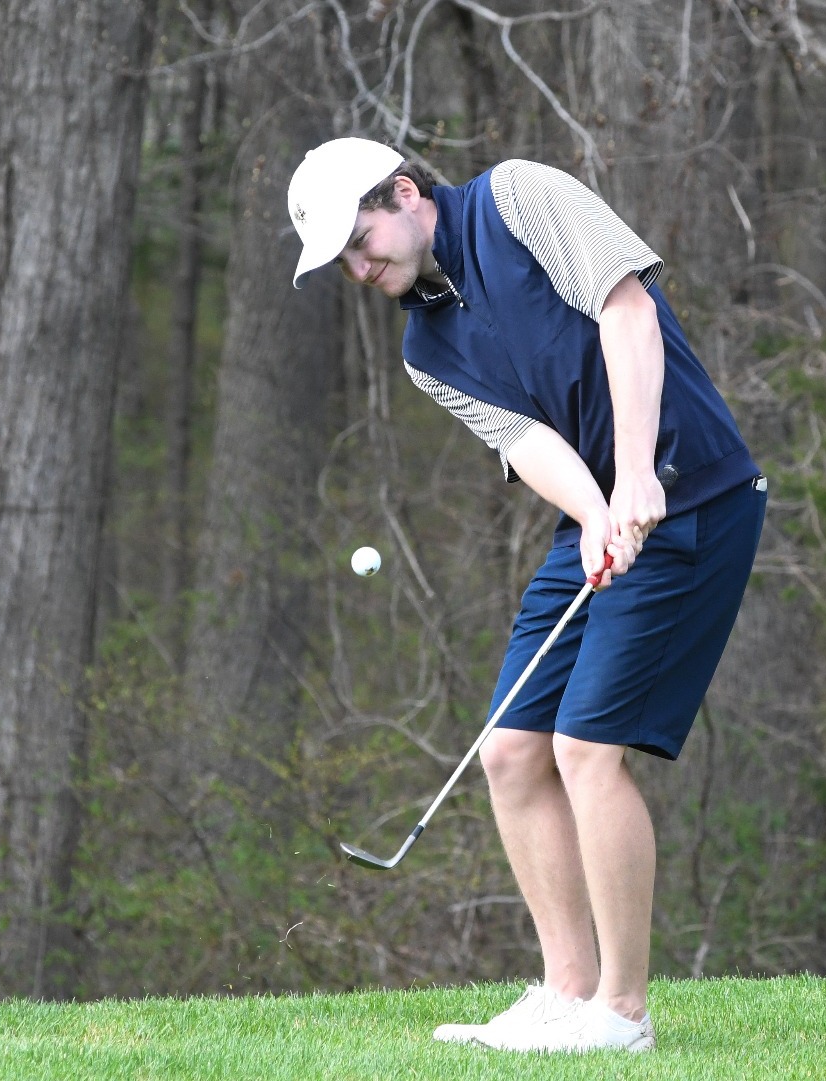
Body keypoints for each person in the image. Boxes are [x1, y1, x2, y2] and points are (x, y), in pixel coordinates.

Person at [287, 138, 767, 1054]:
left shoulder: (519, 199)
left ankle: (621, 1013)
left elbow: (628, 311)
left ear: (403, 192)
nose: (358, 269)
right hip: (602, 512)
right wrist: (595, 511)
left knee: (585, 748)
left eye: (360, 242)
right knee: (510, 752)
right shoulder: (426, 348)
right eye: (342, 261)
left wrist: (636, 475)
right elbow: (528, 442)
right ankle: (565, 991)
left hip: (697, 495)